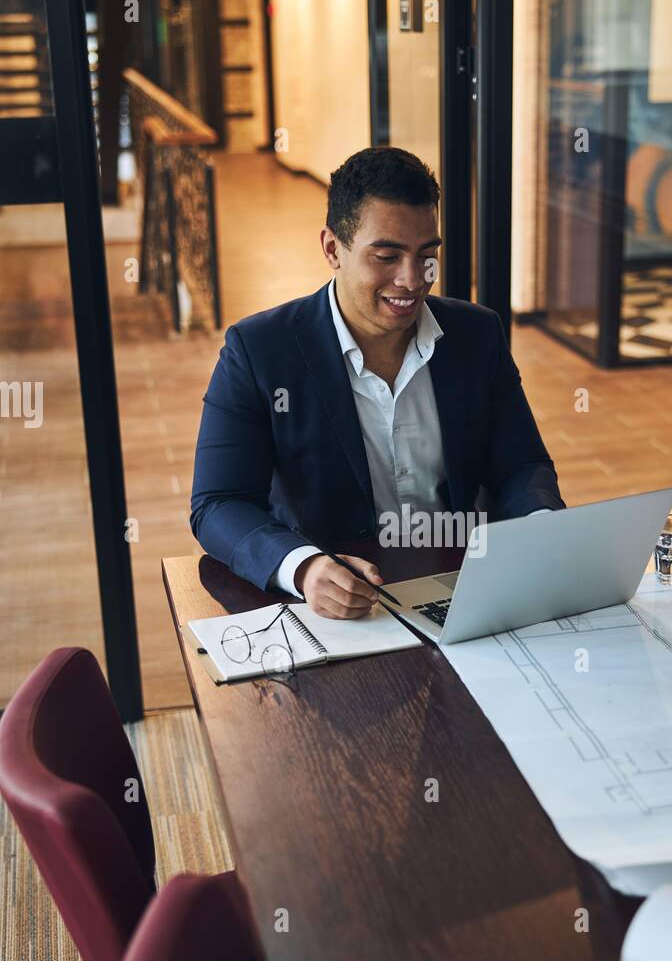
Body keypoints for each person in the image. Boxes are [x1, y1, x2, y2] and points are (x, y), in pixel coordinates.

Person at [191, 146, 564, 618]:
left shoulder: (477, 334)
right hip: (344, 600)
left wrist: (542, 526)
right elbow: (217, 503)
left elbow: (520, 464)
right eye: (386, 256)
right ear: (332, 249)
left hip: (464, 585)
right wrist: (303, 567)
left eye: (427, 256)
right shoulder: (259, 350)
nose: (411, 280)